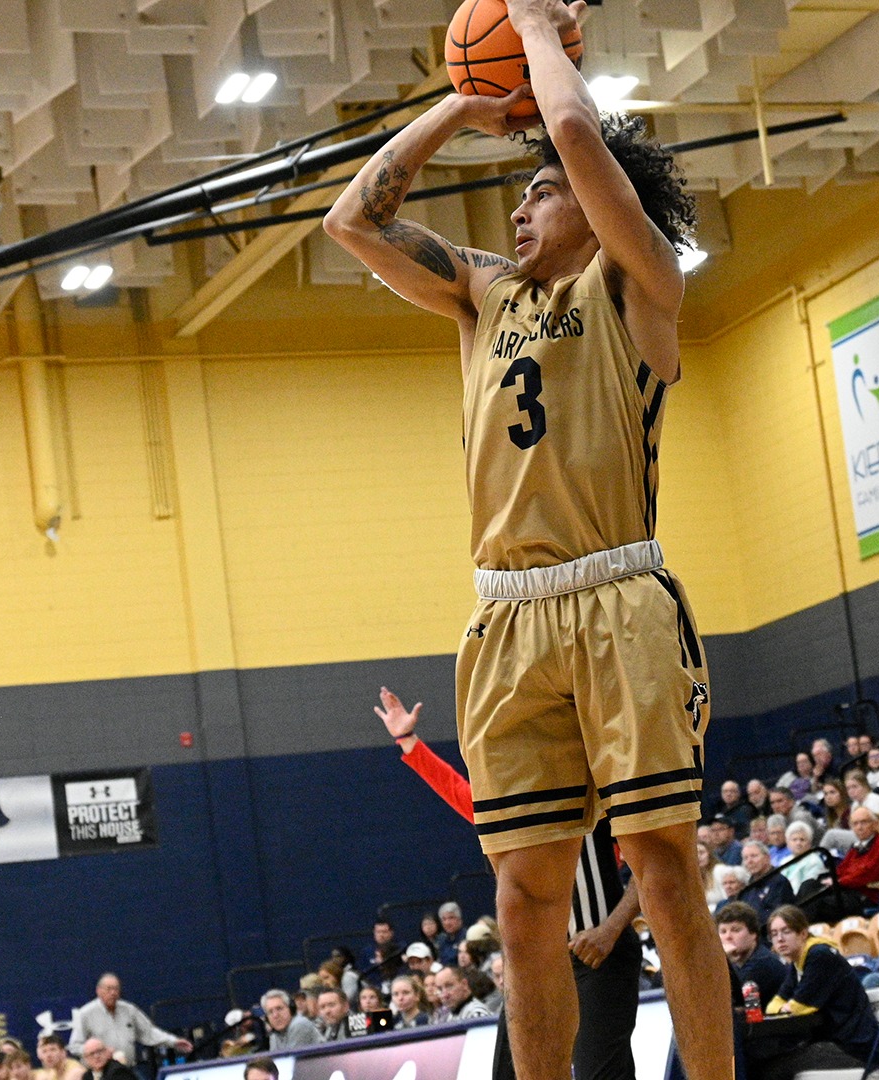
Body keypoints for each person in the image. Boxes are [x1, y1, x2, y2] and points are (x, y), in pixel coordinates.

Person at [326, 3, 724, 1075]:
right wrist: (464, 97)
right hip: (504, 613)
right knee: (523, 898)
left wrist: (536, 28)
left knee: (662, 863)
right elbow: (351, 226)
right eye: (518, 193)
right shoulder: (480, 294)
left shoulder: (638, 279)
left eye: (538, 192)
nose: (519, 209)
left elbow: (583, 140)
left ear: (603, 208)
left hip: (618, 596)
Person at [377, 688, 641, 1080]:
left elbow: (645, 872)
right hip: (540, 961)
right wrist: (408, 741)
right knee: (511, 1070)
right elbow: (455, 789)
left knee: (599, 1073)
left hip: (602, 952)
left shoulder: (601, 794)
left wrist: (610, 930)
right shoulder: (511, 810)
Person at [756, 905, 879, 1079]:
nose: (780, 939)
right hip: (832, 1041)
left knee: (770, 1070)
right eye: (774, 934)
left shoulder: (819, 955)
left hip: (853, 1048)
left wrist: (787, 1007)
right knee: (767, 1062)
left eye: (786, 931)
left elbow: (799, 1007)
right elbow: (776, 1004)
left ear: (803, 933)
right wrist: (784, 1008)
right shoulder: (798, 962)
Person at [69, 974, 190, 1065]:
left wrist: (173, 1041)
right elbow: (74, 1046)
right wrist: (97, 1053)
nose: (113, 993)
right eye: (109, 989)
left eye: (116, 989)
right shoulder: (85, 1013)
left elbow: (149, 1032)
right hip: (101, 1073)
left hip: (127, 1070)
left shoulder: (129, 1010)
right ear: (98, 991)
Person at [837, 806, 879, 904]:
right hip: (849, 891)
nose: (859, 827)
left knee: (820, 904)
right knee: (811, 886)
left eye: (864, 822)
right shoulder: (856, 847)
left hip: (867, 896)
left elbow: (867, 874)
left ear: (875, 824)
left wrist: (839, 882)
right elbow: (842, 869)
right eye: (855, 824)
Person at [737, 840, 795, 916]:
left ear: (767, 858)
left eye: (754, 856)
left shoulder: (779, 882)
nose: (749, 861)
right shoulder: (747, 890)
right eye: (746, 858)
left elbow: (777, 916)